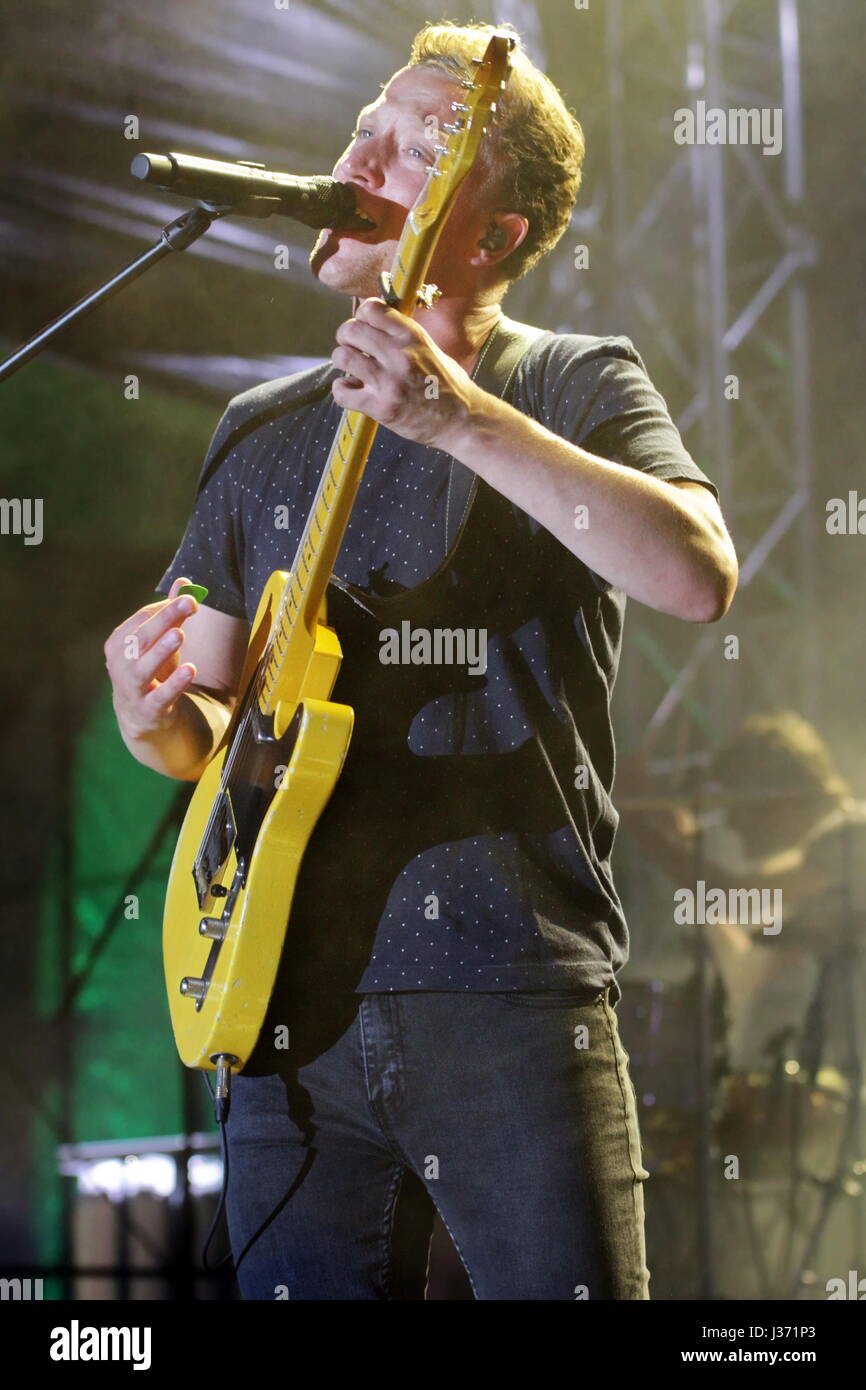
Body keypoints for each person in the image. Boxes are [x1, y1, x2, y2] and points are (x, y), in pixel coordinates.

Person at [103, 21, 737, 1300]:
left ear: (490, 232)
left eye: (405, 148)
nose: (354, 159)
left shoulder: (567, 382)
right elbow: (203, 730)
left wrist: (453, 415)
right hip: (281, 1003)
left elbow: (693, 574)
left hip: (505, 987)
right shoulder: (259, 425)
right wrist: (147, 705)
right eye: (360, 129)